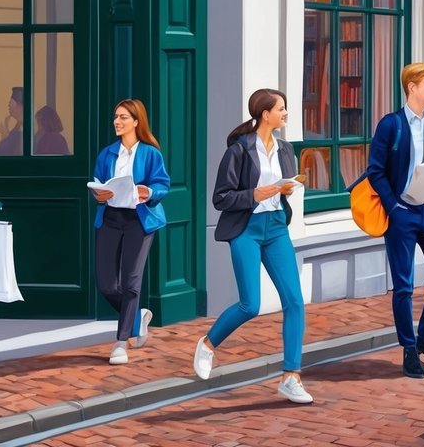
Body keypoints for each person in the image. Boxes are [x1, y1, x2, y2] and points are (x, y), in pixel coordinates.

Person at [193, 89, 311, 404]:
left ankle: (291, 377)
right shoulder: (239, 151)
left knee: (295, 302)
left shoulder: (286, 149)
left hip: (275, 228)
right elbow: (220, 198)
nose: (286, 113)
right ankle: (207, 344)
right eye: (281, 108)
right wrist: (255, 194)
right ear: (264, 113)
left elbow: (282, 188)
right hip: (246, 228)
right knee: (251, 305)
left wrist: (287, 188)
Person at [364, 62, 424, 379]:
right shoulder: (391, 125)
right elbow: (375, 170)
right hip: (402, 212)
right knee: (403, 286)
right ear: (412, 86)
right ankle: (408, 350)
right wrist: (393, 205)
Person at [91, 99, 169, 366]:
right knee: (106, 284)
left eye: (123, 117)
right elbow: (97, 183)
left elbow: (163, 184)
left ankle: (121, 342)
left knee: (130, 283)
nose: (117, 121)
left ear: (136, 121)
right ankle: (137, 317)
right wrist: (99, 195)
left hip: (139, 219)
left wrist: (150, 192)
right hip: (110, 218)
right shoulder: (106, 154)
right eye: (116, 116)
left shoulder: (150, 154)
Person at [0, 86, 24, 155]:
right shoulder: (18, 124)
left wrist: (5, 134)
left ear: (19, 105)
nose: (8, 105)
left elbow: (9, 149)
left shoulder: (24, 126)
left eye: (11, 102)